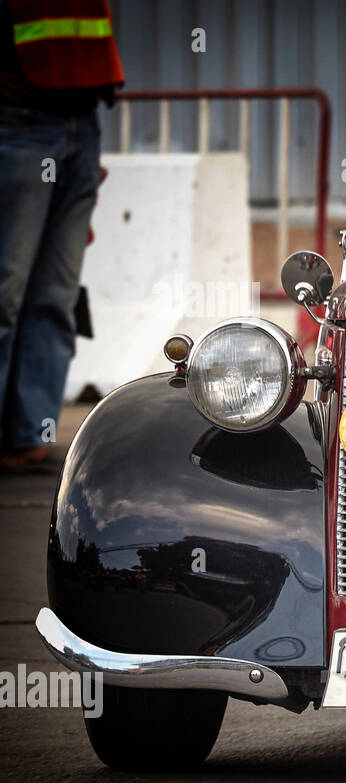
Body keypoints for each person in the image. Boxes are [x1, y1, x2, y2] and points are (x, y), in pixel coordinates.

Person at [0, 0, 123, 469]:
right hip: (20, 119)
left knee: (55, 292)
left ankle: (29, 436)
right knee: (5, 293)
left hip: (83, 123)